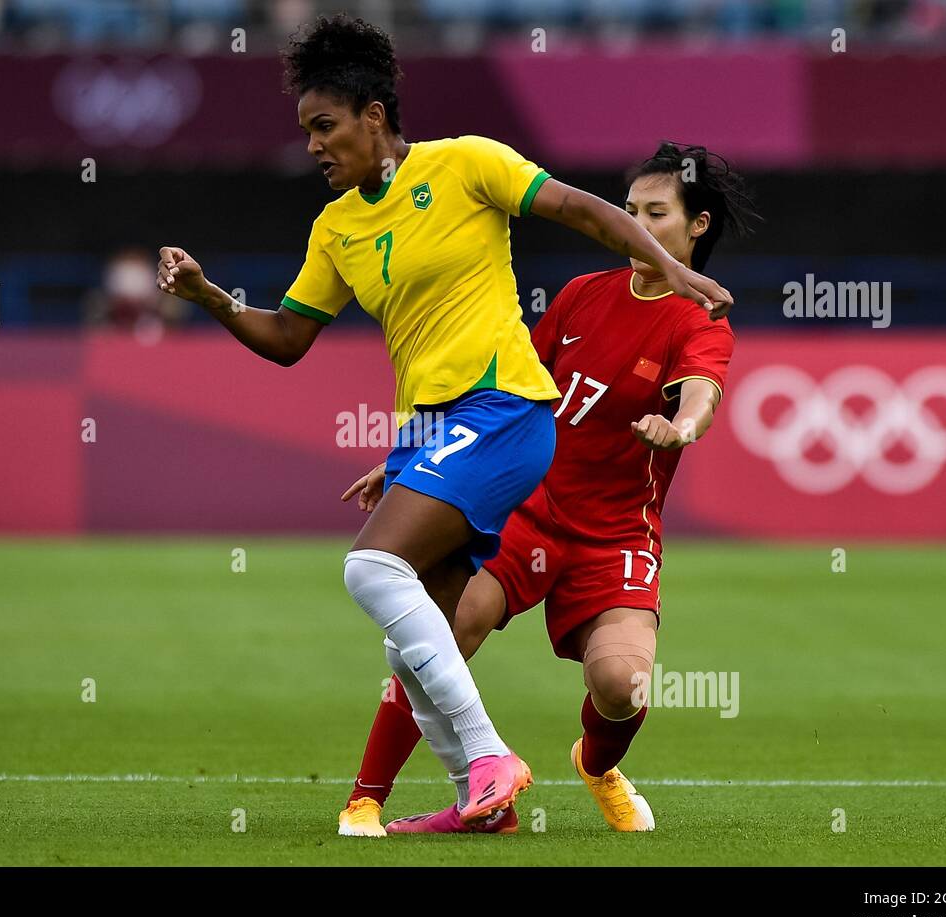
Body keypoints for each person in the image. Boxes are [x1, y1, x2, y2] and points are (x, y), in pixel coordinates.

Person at [156, 15, 732, 827]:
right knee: (423, 634)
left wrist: (671, 271)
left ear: (375, 117)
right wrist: (211, 299)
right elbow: (289, 339)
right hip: (436, 431)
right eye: (305, 133)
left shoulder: (466, 164)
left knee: (369, 568)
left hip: (504, 412)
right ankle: (478, 799)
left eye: (326, 126)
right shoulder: (336, 229)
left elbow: (579, 210)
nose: (314, 146)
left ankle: (490, 755)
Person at [337, 143, 760, 836]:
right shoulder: (579, 296)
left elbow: (702, 394)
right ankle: (366, 798)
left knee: (622, 686)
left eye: (658, 213)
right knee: (439, 630)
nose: (638, 225)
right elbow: (506, 392)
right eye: (630, 211)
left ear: (697, 226)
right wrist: (414, 454)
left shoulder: (698, 318)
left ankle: (596, 765)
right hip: (526, 510)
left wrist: (681, 427)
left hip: (616, 534)